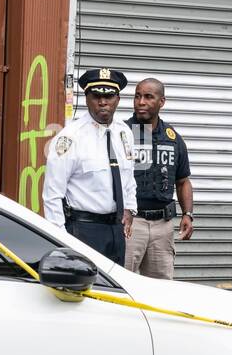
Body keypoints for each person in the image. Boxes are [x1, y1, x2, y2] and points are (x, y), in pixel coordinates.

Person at [42, 68, 138, 263]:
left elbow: (128, 177)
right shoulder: (70, 137)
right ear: (86, 98)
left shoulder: (124, 132)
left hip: (116, 230)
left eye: (109, 96)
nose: (103, 102)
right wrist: (61, 239)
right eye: (96, 96)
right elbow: (52, 194)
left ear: (118, 99)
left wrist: (129, 207)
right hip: (82, 231)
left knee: (114, 290)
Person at [125, 77, 194, 279]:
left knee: (161, 289)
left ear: (161, 102)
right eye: (137, 96)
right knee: (121, 284)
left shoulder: (172, 138)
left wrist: (187, 214)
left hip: (162, 227)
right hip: (131, 224)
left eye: (148, 97)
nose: (141, 102)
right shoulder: (125, 133)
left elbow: (183, 181)